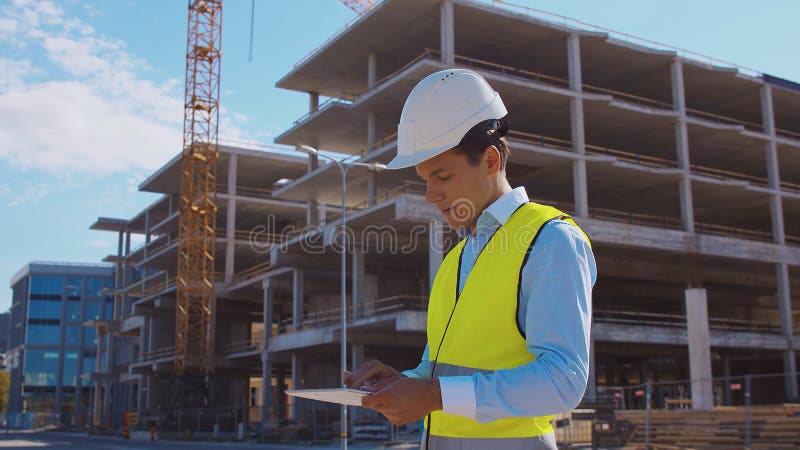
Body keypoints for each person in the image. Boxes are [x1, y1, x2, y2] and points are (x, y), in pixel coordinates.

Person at [343, 68, 596, 450]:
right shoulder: (457, 259)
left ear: (491, 160)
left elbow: (563, 380)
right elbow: (441, 371)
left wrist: (432, 395)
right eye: (425, 179)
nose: (431, 194)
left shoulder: (552, 241)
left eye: (442, 176)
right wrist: (403, 382)